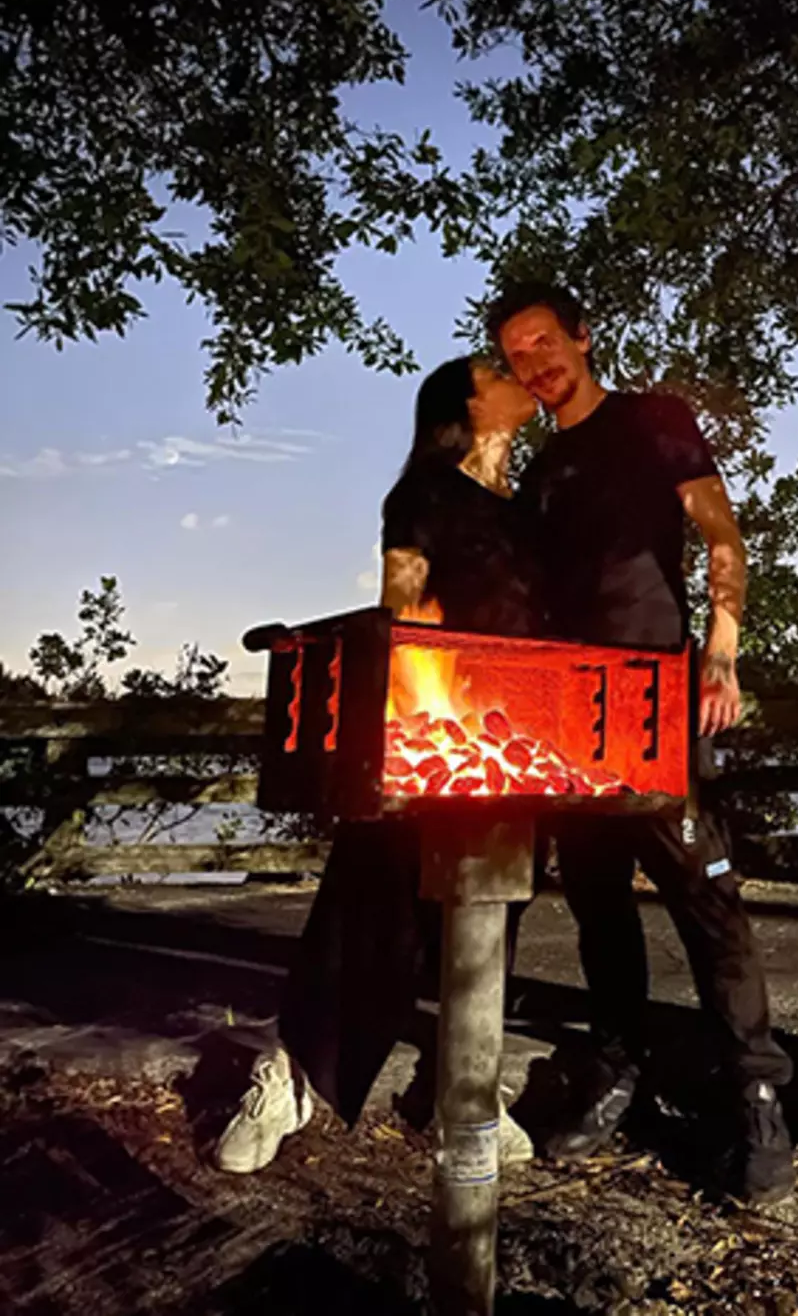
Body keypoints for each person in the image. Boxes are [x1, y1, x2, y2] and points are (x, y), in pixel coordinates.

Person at [486, 281, 796, 1207]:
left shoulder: (657, 419)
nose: (534, 361)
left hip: (656, 701)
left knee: (709, 905)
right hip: (566, 717)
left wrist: (722, 654)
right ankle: (617, 1070)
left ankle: (759, 1101)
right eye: (516, 352)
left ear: (583, 338)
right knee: (595, 907)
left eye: (545, 339)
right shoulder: (541, 475)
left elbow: (721, 534)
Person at [215, 357, 541, 1174]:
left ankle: (463, 1091)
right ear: (465, 407)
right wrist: (424, 730)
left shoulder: (533, 504)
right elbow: (404, 612)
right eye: (497, 372)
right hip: (432, 730)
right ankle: (292, 1072)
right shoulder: (421, 496)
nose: (518, 377)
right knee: (369, 900)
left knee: (492, 920)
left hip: (519, 737)